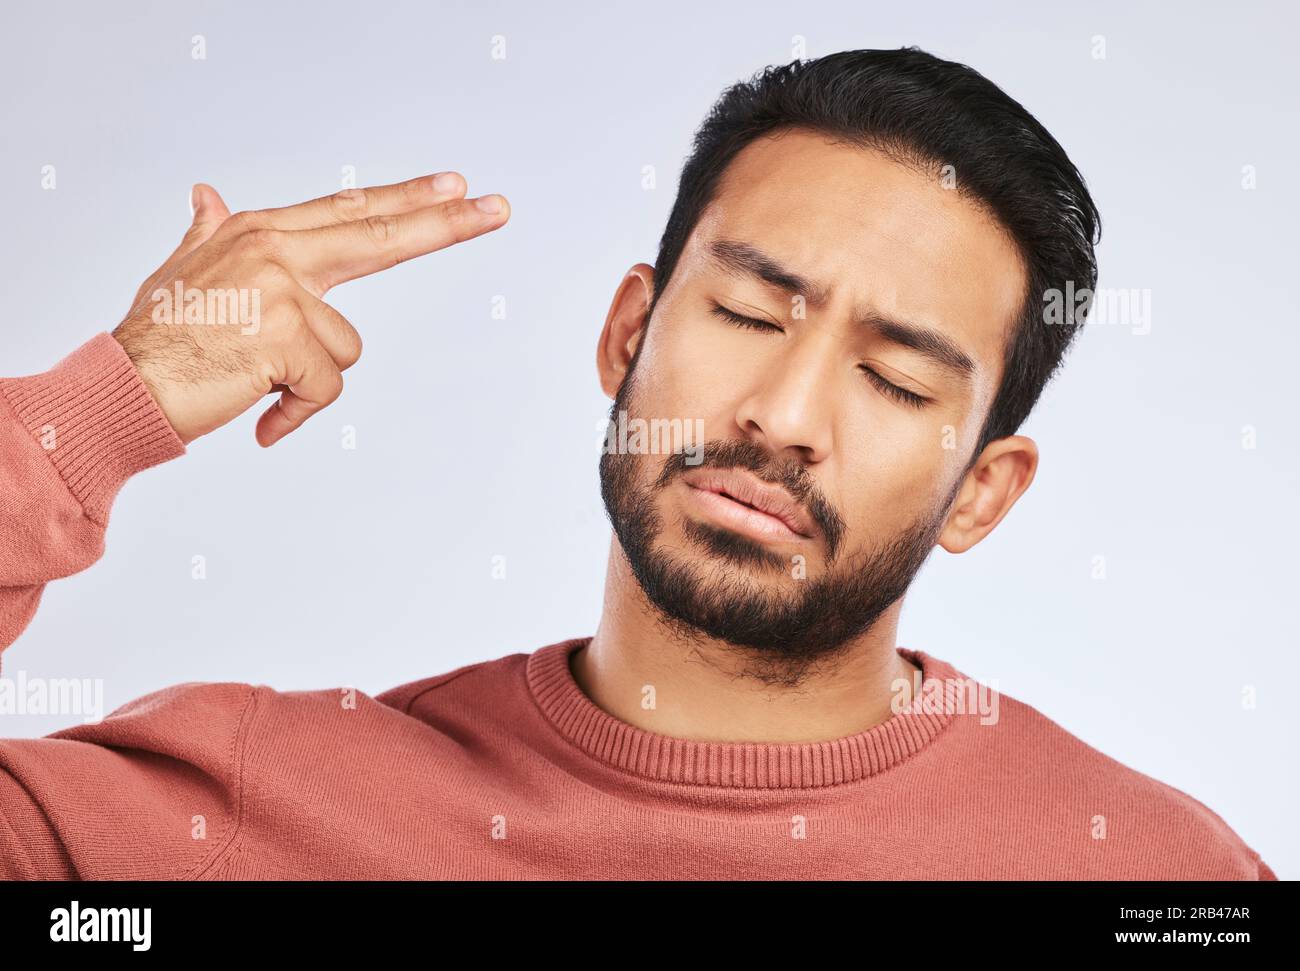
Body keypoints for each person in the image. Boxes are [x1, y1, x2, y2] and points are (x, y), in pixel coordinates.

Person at [0, 47, 1275, 879]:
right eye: (745, 316)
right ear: (627, 335)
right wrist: (104, 411)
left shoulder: (1157, 880)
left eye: (893, 378)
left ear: (983, 492)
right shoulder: (241, 813)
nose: (783, 415)